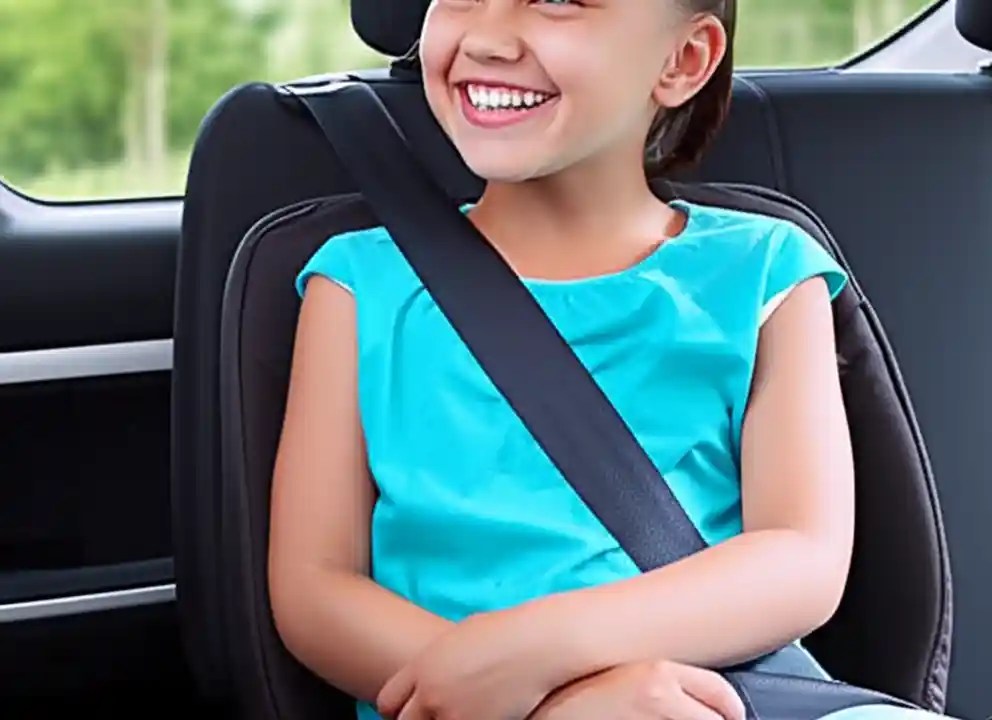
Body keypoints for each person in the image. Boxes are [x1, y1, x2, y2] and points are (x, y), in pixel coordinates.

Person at [268, 1, 939, 719]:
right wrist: (533, 704)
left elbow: (800, 558)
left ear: (682, 62)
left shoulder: (767, 273)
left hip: (717, 698)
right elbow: (316, 588)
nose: (488, 39)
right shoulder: (362, 285)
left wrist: (545, 654)